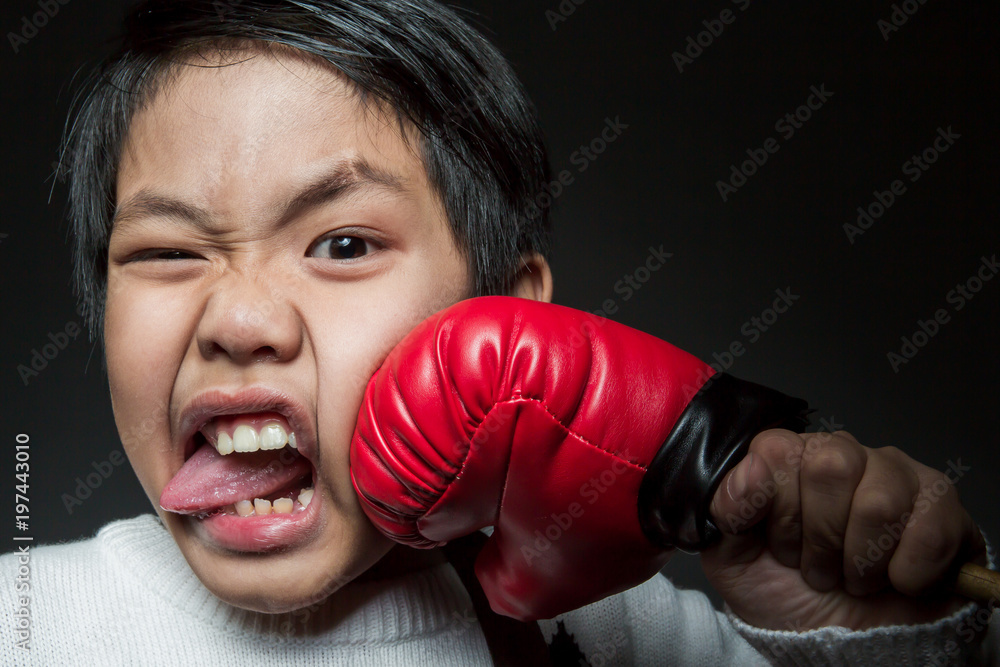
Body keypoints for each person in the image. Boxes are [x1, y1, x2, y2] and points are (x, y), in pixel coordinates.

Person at [1, 0, 996, 664]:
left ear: (508, 315)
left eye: (344, 242)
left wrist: (873, 639)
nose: (240, 319)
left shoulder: (630, 634)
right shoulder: (24, 623)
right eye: (167, 253)